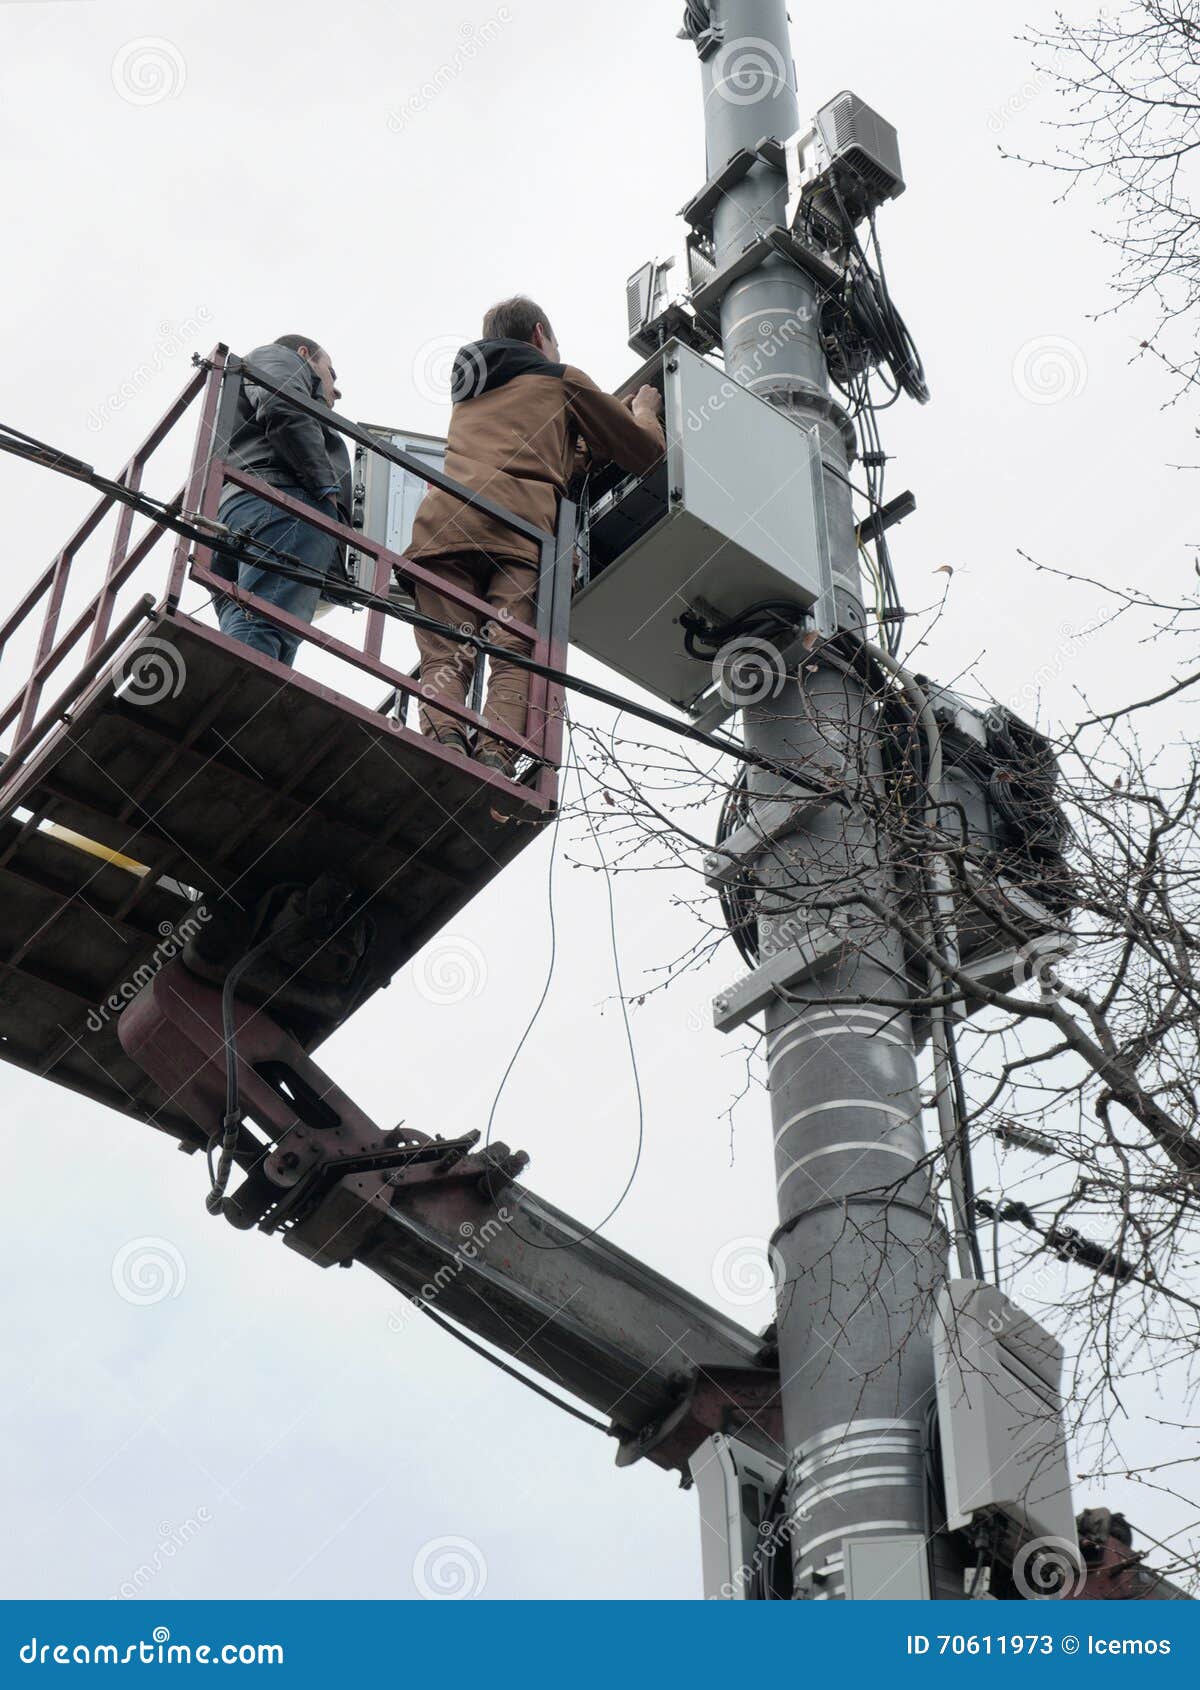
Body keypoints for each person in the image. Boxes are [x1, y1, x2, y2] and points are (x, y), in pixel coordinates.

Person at [406, 296, 664, 773]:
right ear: (540, 335)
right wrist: (644, 410)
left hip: (443, 529)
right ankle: (494, 751)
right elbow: (645, 451)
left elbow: (536, 451)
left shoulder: (469, 393)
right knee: (512, 649)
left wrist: (579, 444)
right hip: (518, 533)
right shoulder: (559, 379)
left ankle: (443, 739)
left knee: (447, 649)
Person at [214, 336, 351, 667]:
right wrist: (326, 489)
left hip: (242, 510)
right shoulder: (277, 357)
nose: (337, 390)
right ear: (304, 355)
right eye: (331, 373)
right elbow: (283, 405)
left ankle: (235, 701)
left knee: (256, 619)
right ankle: (237, 702)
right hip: (283, 504)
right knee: (268, 623)